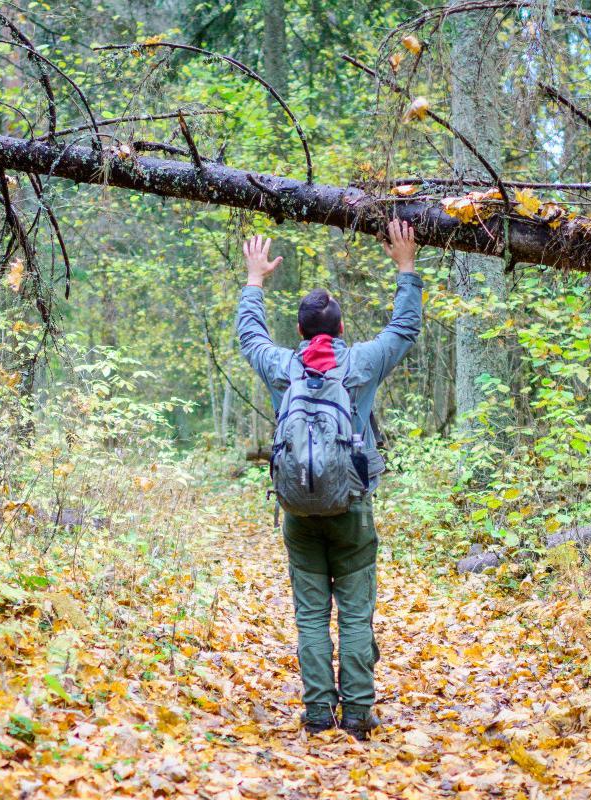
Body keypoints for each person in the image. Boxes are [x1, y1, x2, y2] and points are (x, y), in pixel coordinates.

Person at [235, 219, 423, 740]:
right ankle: (359, 715)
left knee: (313, 617)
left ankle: (319, 715)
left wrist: (255, 280)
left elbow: (249, 334)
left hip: (298, 512)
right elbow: (404, 329)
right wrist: (406, 267)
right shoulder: (360, 363)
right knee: (357, 615)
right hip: (352, 509)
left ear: (299, 333)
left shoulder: (282, 366)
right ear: (341, 331)